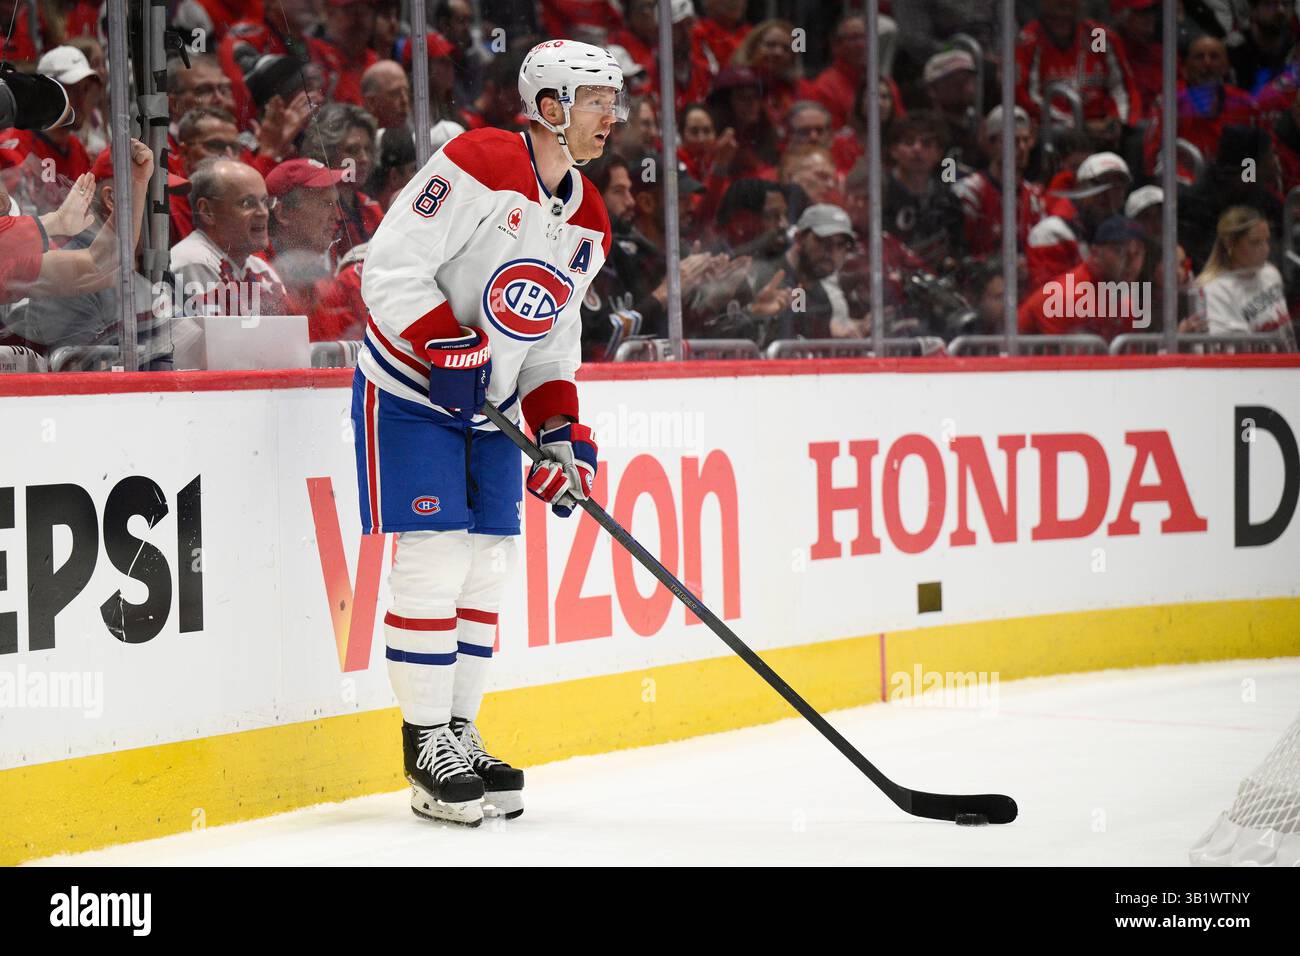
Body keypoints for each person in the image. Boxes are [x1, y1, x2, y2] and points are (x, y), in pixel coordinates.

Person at [355, 39, 627, 827]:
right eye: (597, 98)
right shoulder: (477, 159)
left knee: (488, 568)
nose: (614, 114)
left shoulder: (591, 220)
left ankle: (463, 733)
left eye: (615, 99)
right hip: (411, 392)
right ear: (550, 107)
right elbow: (391, 267)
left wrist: (561, 437)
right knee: (436, 560)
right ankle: (424, 743)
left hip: (494, 409)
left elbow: (548, 341)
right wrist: (445, 338)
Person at [170, 158, 288, 316]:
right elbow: (220, 339)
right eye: (247, 203)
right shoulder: (193, 261)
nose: (263, 212)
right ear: (206, 211)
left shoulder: (260, 267)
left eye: (265, 202)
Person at [1195, 205, 1296, 349]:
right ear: (1230, 243)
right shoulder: (1213, 290)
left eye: (1266, 240)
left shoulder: (1270, 274)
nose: (1265, 249)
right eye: (1255, 242)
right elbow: (1227, 349)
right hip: (1247, 368)